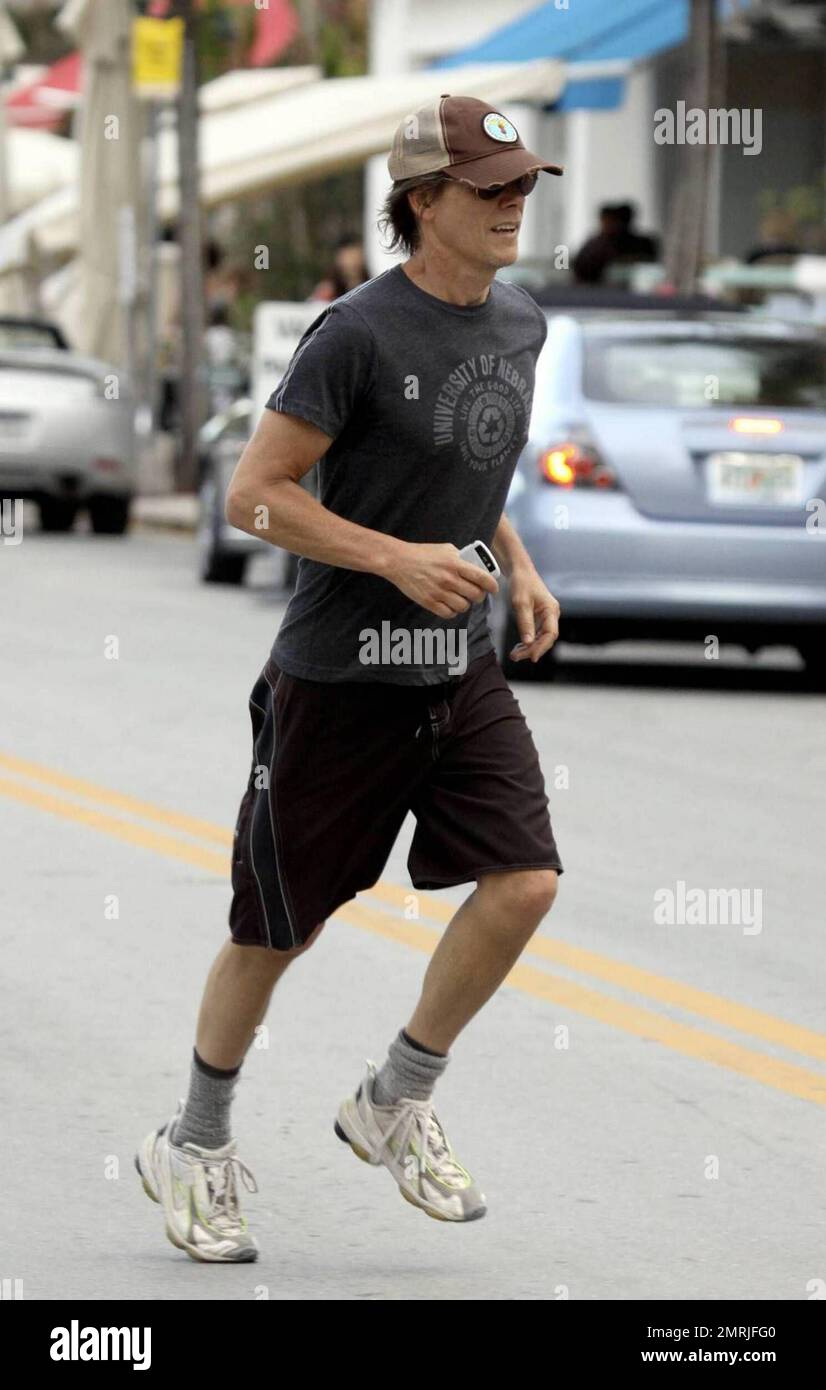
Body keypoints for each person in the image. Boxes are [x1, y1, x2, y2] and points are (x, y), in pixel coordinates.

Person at [136, 94, 565, 1262]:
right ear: (423, 202)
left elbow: (476, 471)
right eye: (489, 188)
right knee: (279, 931)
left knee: (525, 882)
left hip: (453, 667)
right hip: (337, 673)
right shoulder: (354, 334)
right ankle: (197, 1141)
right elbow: (255, 496)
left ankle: (394, 1095)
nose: (513, 203)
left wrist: (512, 563)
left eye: (523, 183)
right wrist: (393, 558)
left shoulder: (519, 324)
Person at [572, 201, 659, 284]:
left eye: (614, 221)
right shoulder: (595, 245)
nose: (610, 225)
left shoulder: (643, 244)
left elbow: (650, 269)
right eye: (607, 221)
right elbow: (580, 269)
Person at [309, 235, 370, 301]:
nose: (352, 263)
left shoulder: (371, 285)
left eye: (355, 257)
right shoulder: (327, 291)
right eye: (348, 257)